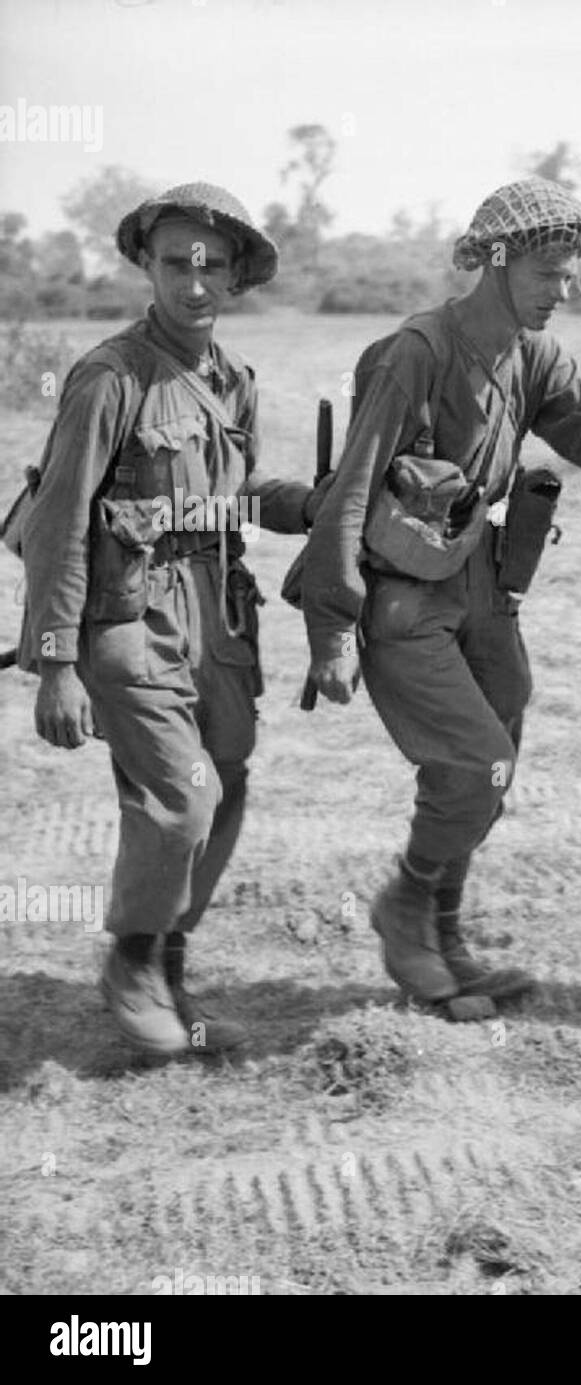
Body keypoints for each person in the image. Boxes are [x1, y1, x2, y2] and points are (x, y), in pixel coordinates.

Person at [301, 177, 581, 1006]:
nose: (562, 291)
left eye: (569, 275)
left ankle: (443, 935)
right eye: (547, 273)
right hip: (406, 593)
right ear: (495, 261)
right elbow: (350, 490)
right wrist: (333, 628)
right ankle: (406, 907)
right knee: (474, 763)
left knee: (491, 768)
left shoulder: (536, 356)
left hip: (486, 589)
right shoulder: (415, 352)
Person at [20, 183, 330, 1055]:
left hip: (217, 613)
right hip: (129, 617)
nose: (194, 284)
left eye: (212, 266)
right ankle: (131, 965)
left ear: (234, 277)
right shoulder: (110, 377)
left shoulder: (233, 379)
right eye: (175, 264)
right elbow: (57, 521)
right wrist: (56, 661)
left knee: (227, 778)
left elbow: (239, 493)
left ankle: (169, 968)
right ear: (148, 269)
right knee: (181, 798)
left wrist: (309, 503)